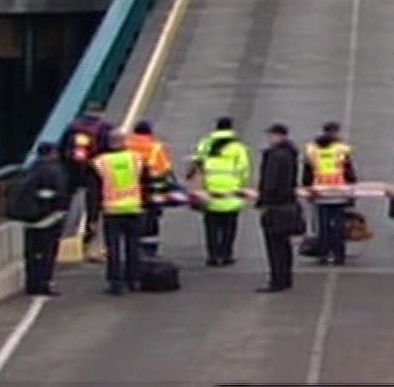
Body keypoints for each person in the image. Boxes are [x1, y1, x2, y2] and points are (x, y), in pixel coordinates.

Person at [93, 130, 155, 295]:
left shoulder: (100, 162)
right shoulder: (136, 159)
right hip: (134, 208)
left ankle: (115, 283)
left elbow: (94, 192)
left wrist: (93, 216)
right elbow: (147, 184)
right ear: (125, 142)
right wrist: (147, 206)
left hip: (111, 210)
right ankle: (134, 280)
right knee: (133, 246)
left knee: (113, 249)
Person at [186, 116, 251, 267]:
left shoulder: (205, 144)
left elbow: (197, 163)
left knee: (211, 226)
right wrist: (241, 185)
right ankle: (226, 254)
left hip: (211, 190)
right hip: (231, 191)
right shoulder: (238, 147)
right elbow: (244, 169)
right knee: (229, 226)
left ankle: (213, 256)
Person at [12, 142, 72, 296]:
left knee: (31, 252)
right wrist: (62, 211)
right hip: (49, 218)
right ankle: (44, 283)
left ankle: (31, 284)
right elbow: (61, 193)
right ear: (53, 153)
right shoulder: (54, 170)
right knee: (47, 252)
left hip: (28, 218)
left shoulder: (29, 169)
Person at [301, 121, 358, 266]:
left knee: (323, 226)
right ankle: (339, 255)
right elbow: (349, 173)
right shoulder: (341, 150)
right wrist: (352, 192)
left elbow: (307, 174)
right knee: (338, 227)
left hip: (320, 194)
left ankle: (323, 254)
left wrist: (308, 191)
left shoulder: (312, 150)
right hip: (339, 194)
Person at [255, 123, 301, 293]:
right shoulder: (290, 154)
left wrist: (264, 201)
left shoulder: (275, 156)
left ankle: (277, 279)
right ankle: (286, 277)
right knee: (284, 244)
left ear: (279, 136)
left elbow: (270, 182)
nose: (269, 139)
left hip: (275, 206)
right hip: (288, 205)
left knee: (274, 245)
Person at [61, 104, 111, 244]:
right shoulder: (104, 128)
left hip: (73, 168)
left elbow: (62, 148)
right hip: (94, 169)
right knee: (93, 201)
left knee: (69, 197)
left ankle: (64, 228)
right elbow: (107, 149)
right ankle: (90, 229)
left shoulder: (73, 127)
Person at [125, 120, 176, 254]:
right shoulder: (156, 147)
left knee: (132, 222)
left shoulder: (126, 146)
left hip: (129, 192)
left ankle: (132, 249)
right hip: (152, 192)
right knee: (151, 223)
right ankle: (149, 251)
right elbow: (165, 169)